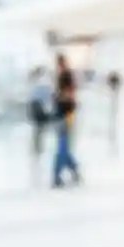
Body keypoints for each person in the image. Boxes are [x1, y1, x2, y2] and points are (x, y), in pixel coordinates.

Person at [52, 55, 81, 189]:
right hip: (62, 115)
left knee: (62, 147)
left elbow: (69, 95)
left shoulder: (66, 76)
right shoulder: (61, 76)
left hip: (66, 115)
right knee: (63, 147)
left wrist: (59, 97)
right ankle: (74, 169)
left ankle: (57, 175)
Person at [27, 67, 51, 161]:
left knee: (38, 129)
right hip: (38, 106)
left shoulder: (36, 82)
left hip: (35, 106)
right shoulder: (42, 82)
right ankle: (38, 148)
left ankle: (37, 148)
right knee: (39, 128)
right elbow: (46, 96)